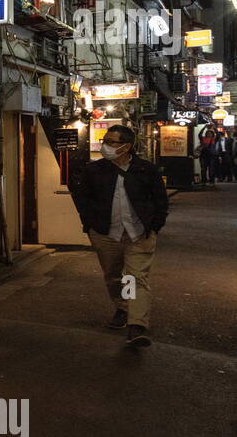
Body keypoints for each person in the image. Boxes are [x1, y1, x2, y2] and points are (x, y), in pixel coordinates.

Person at [71, 124, 170, 348]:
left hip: (138, 233)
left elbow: (160, 200)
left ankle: (136, 326)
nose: (105, 145)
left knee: (135, 278)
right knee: (114, 276)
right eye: (105, 140)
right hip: (106, 233)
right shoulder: (94, 170)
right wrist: (89, 224)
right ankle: (123, 307)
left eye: (111, 141)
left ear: (126, 146)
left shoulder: (146, 170)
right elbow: (82, 197)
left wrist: (155, 225)